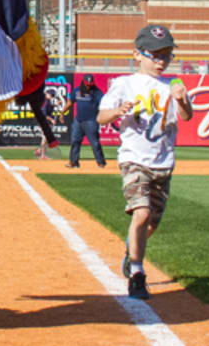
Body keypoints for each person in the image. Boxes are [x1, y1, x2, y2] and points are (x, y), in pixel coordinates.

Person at [98, 24, 194, 300]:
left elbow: (186, 116)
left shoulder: (172, 85)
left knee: (151, 224)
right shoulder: (124, 84)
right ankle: (138, 274)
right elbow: (101, 117)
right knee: (140, 214)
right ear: (137, 55)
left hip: (163, 163)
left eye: (166, 55)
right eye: (154, 55)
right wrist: (118, 111)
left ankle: (132, 251)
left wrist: (182, 100)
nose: (160, 61)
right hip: (134, 160)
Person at [66, 74, 107, 169]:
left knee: (95, 143)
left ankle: (101, 162)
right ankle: (73, 162)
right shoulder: (77, 90)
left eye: (90, 84)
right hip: (78, 120)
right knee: (75, 141)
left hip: (91, 121)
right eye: (87, 84)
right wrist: (63, 112)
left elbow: (104, 104)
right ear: (83, 82)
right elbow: (70, 102)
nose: (88, 85)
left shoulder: (97, 92)